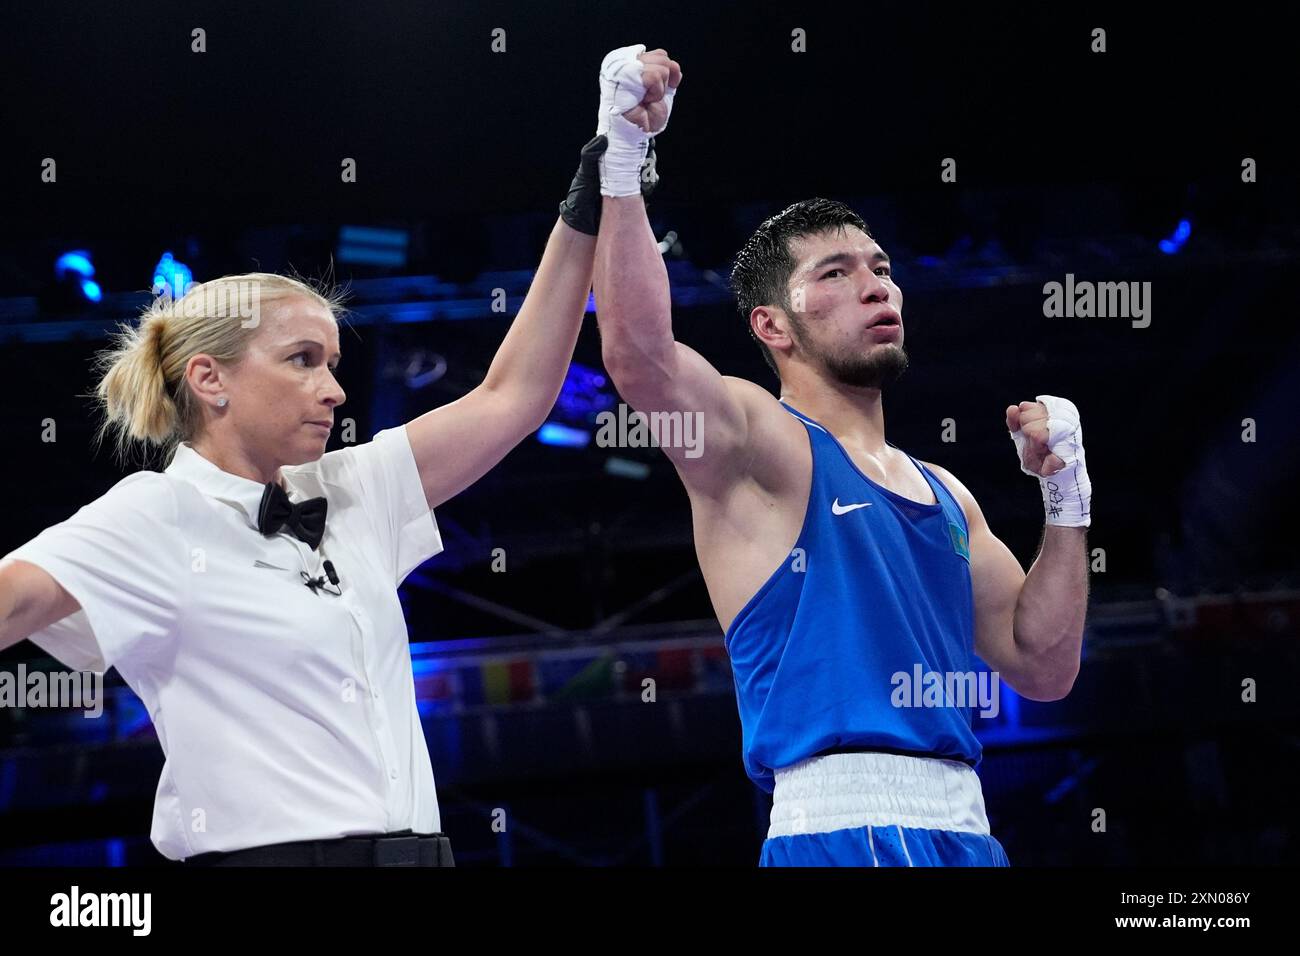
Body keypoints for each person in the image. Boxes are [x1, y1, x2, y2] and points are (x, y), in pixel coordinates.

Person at [0, 45, 678, 866]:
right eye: (302, 361)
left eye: (333, 364)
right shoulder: (151, 514)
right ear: (208, 378)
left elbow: (515, 396)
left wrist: (604, 171)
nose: (335, 392)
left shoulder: (356, 487)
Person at [591, 48, 1092, 866]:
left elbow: (1044, 668)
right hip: (837, 827)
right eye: (837, 272)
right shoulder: (762, 448)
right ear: (772, 327)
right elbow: (639, 356)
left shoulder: (947, 493)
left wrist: (1067, 498)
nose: (878, 287)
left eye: (883, 269)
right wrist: (622, 151)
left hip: (969, 830)